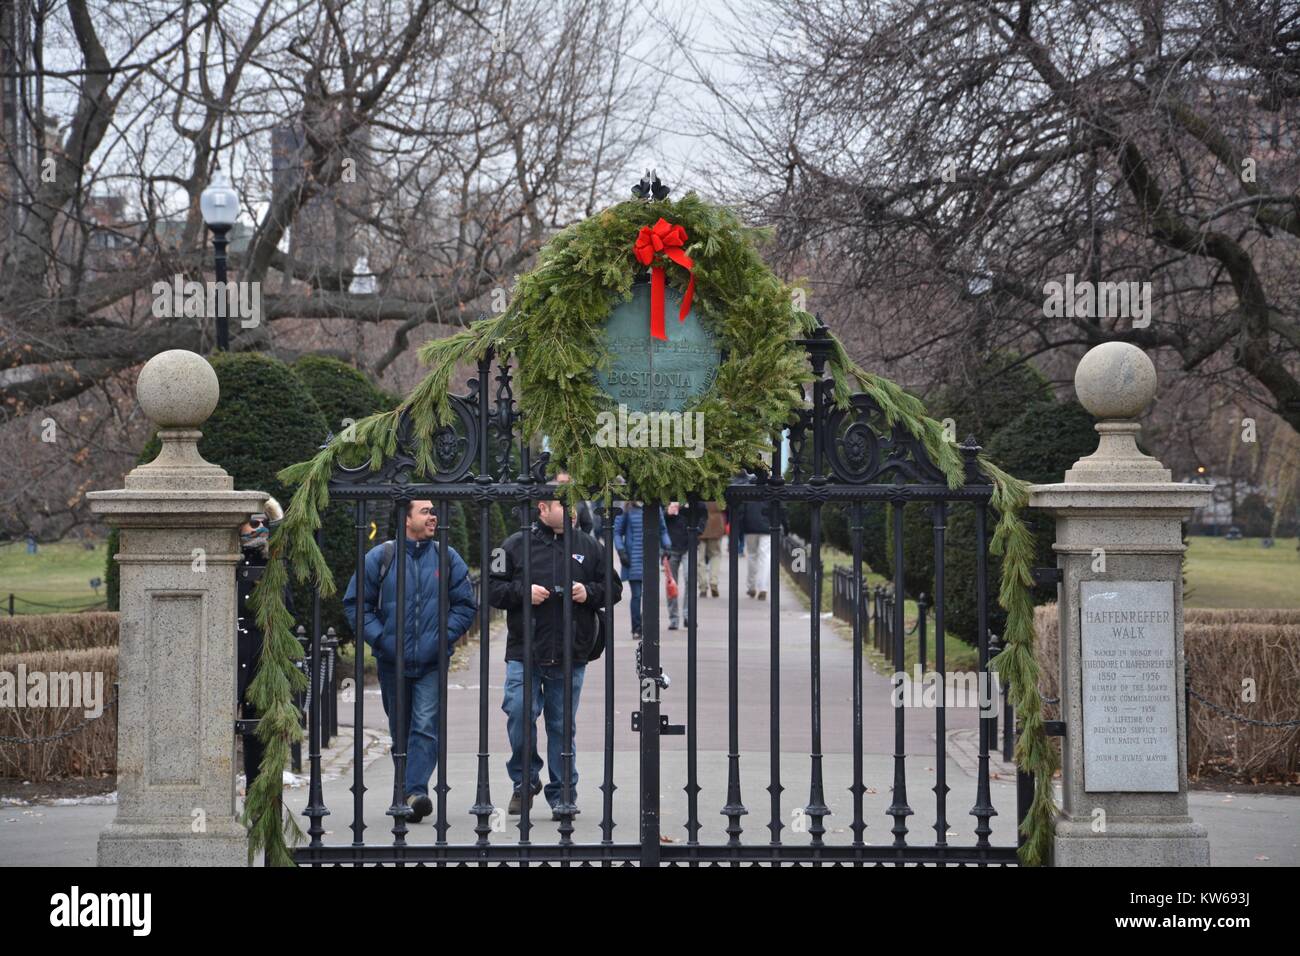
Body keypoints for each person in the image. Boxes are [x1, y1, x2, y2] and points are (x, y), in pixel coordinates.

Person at [489, 472, 622, 817]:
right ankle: (524, 780)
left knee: (562, 726)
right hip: (525, 649)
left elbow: (614, 588)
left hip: (570, 651)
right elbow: (490, 588)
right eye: (563, 503)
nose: (572, 509)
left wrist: (588, 593)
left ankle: (563, 792)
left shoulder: (589, 546)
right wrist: (523, 593)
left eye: (573, 502)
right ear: (542, 508)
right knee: (519, 713)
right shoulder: (512, 544)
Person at [342, 500, 476, 823]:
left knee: (425, 725)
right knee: (400, 728)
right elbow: (356, 605)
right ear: (406, 518)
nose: (433, 517)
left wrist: (441, 638)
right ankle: (405, 791)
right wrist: (384, 639)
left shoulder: (447, 557)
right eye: (425, 512)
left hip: (432, 662)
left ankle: (415, 792)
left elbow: (465, 605)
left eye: (434, 511)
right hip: (392, 662)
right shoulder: (381, 557)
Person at [235, 497, 290, 787]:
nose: (259, 528)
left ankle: (258, 796)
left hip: (261, 662)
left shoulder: (272, 563)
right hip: (230, 660)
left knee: (259, 736)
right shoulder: (226, 561)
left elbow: (287, 611)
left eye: (263, 523)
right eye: (252, 523)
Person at [613, 501, 671, 639]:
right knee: (637, 595)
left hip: (650, 558)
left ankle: (647, 626)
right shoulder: (627, 508)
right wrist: (621, 551)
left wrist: (667, 545)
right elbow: (617, 532)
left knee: (650, 596)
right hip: (633, 559)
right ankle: (637, 628)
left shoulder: (654, 507)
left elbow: (662, 529)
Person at [737, 498, 786, 600]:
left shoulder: (749, 490)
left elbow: (741, 510)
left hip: (750, 525)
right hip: (768, 526)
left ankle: (751, 586)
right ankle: (763, 587)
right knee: (765, 557)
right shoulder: (773, 490)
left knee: (752, 556)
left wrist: (740, 530)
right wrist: (786, 526)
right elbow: (781, 508)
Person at [662, 502, 692, 629]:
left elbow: (702, 513)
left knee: (690, 579)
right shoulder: (667, 497)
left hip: (689, 545)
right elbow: (657, 517)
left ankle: (688, 615)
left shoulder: (692, 496)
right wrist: (667, 512)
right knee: (671, 583)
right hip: (671, 547)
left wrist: (698, 531)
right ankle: (674, 618)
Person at [697, 501, 725, 598]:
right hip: (716, 524)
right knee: (715, 555)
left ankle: (703, 586)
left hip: (700, 523)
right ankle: (714, 582)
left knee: (700, 558)